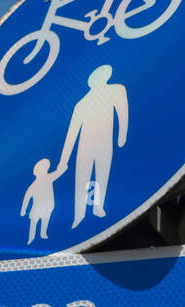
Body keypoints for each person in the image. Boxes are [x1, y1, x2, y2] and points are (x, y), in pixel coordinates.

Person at [54, 64, 129, 229]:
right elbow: (71, 134)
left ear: (107, 76)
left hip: (104, 143)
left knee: (101, 174)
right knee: (82, 179)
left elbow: (122, 113)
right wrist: (64, 160)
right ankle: (78, 215)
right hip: (84, 147)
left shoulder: (116, 90)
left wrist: (122, 136)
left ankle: (98, 207)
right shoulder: (81, 104)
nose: (98, 79)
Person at [20, 158, 62, 244]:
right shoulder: (33, 185)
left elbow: (59, 172)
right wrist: (23, 210)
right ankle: (31, 237)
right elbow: (26, 198)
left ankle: (43, 233)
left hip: (48, 206)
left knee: (45, 220)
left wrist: (62, 167)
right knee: (34, 222)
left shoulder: (49, 177)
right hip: (37, 208)